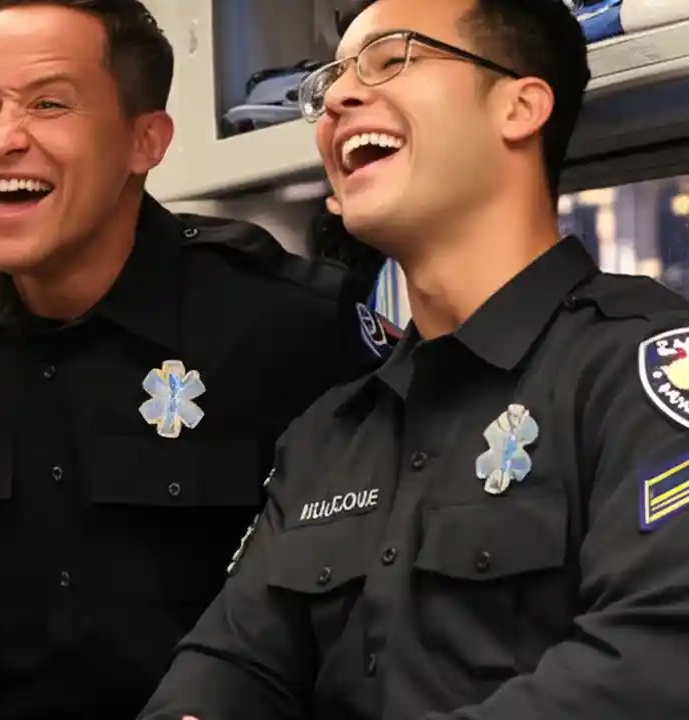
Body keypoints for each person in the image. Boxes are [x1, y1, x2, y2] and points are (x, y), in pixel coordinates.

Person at [0, 1, 395, 718]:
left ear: (144, 142)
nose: (3, 137)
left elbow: (382, 603)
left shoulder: (295, 329)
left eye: (48, 104)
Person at [140, 0, 689, 717]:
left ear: (520, 107)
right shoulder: (329, 434)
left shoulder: (641, 372)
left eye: (391, 57)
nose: (336, 98)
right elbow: (229, 667)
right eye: (331, 79)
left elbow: (655, 664)